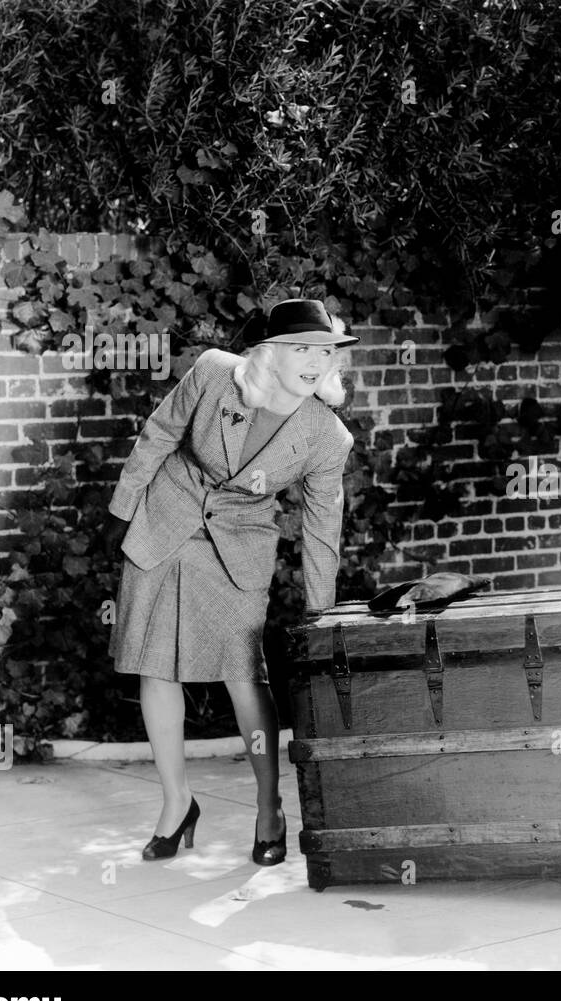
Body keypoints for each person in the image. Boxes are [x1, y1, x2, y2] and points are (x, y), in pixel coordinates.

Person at [103, 298, 356, 866]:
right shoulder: (218, 373)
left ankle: (269, 808)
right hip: (164, 520)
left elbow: (321, 532)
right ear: (271, 353)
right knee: (154, 664)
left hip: (238, 546)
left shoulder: (325, 437)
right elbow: (160, 433)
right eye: (300, 349)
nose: (314, 362)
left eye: (324, 351)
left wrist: (321, 619)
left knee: (245, 676)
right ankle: (177, 804)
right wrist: (121, 512)